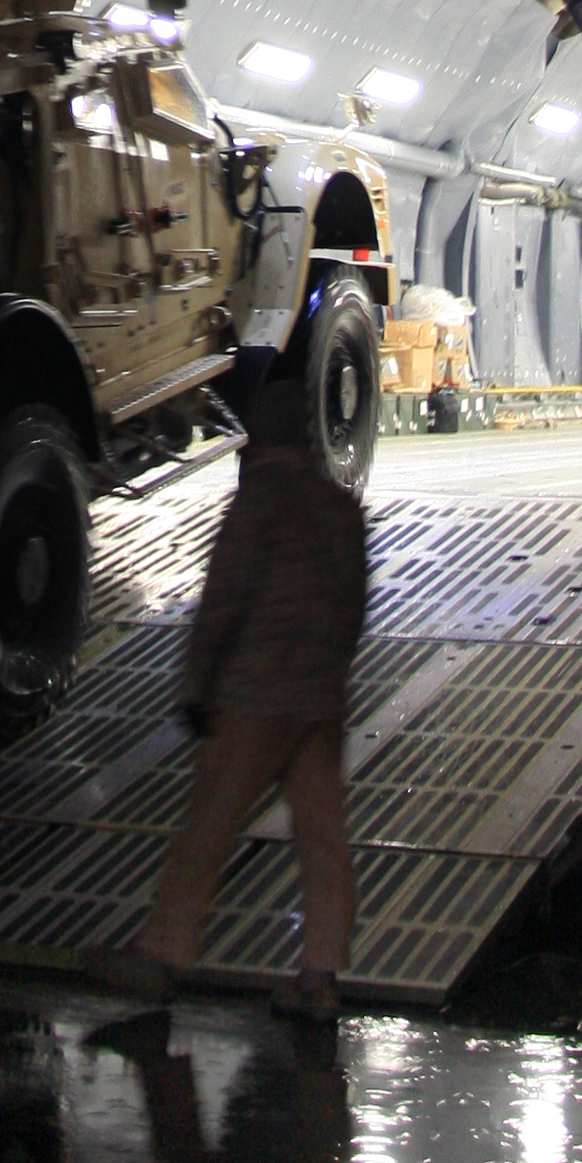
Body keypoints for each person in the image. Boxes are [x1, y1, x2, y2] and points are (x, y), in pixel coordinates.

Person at [119, 354, 370, 1018]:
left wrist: (195, 687)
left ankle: (162, 957)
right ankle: (320, 976)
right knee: (323, 838)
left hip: (256, 697)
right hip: (319, 701)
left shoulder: (258, 503)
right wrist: (332, 681)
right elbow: (354, 604)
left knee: (209, 829)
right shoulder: (340, 507)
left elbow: (224, 602)